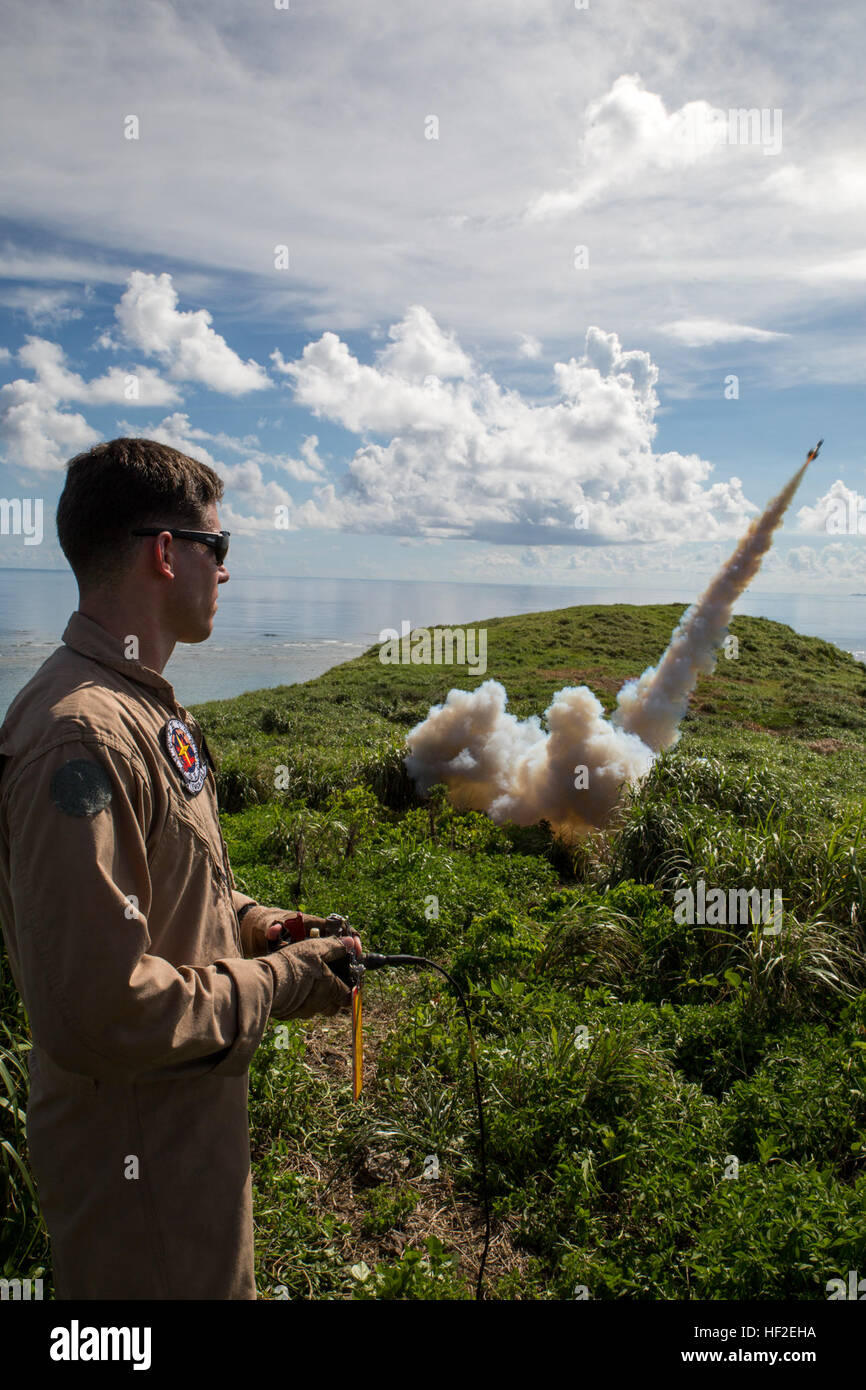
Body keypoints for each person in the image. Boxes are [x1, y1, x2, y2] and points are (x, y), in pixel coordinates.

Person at [0, 437, 358, 1300]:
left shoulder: (138, 708)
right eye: (218, 547)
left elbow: (164, 883)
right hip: (138, 1170)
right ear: (167, 552)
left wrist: (255, 923)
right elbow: (101, 1010)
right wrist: (278, 981)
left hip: (181, 1139)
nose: (226, 573)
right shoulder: (80, 737)